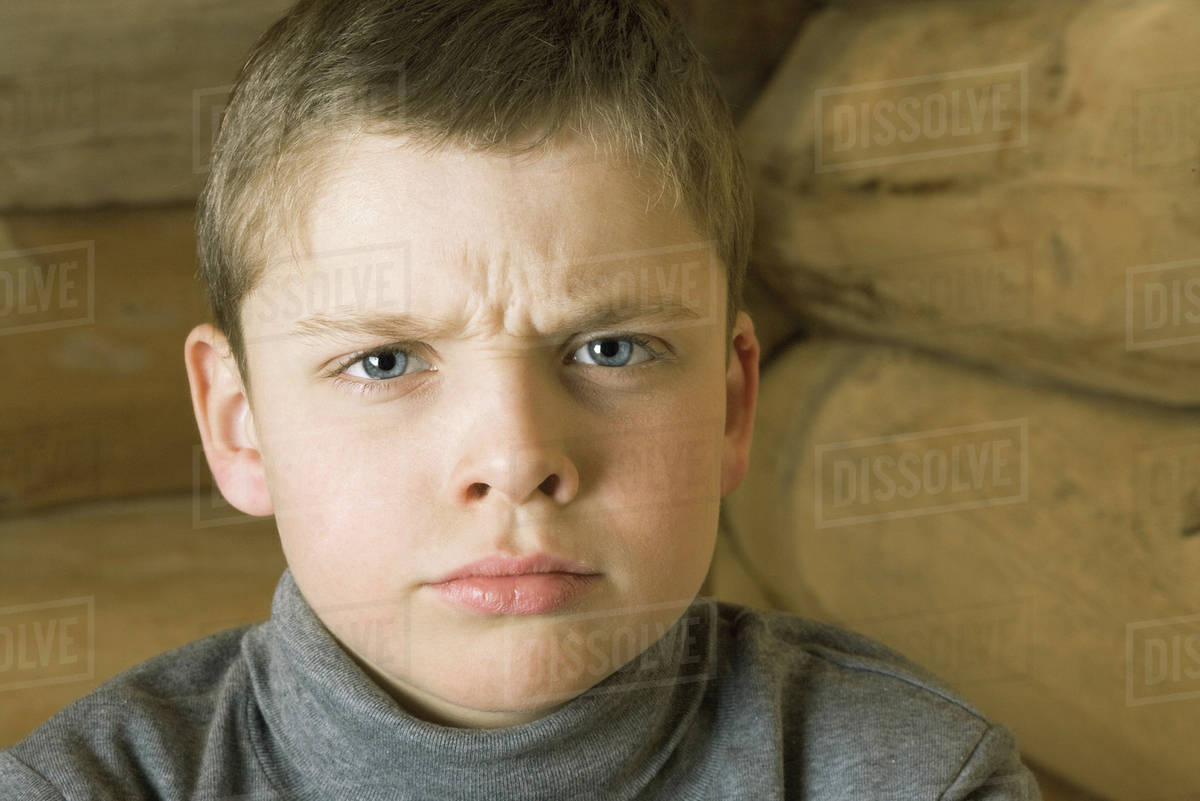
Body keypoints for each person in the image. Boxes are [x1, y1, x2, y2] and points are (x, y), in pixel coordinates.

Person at [0, 0, 1042, 798]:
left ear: (729, 407)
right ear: (241, 424)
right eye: (384, 362)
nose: (515, 456)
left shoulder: (915, 777)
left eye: (611, 346)